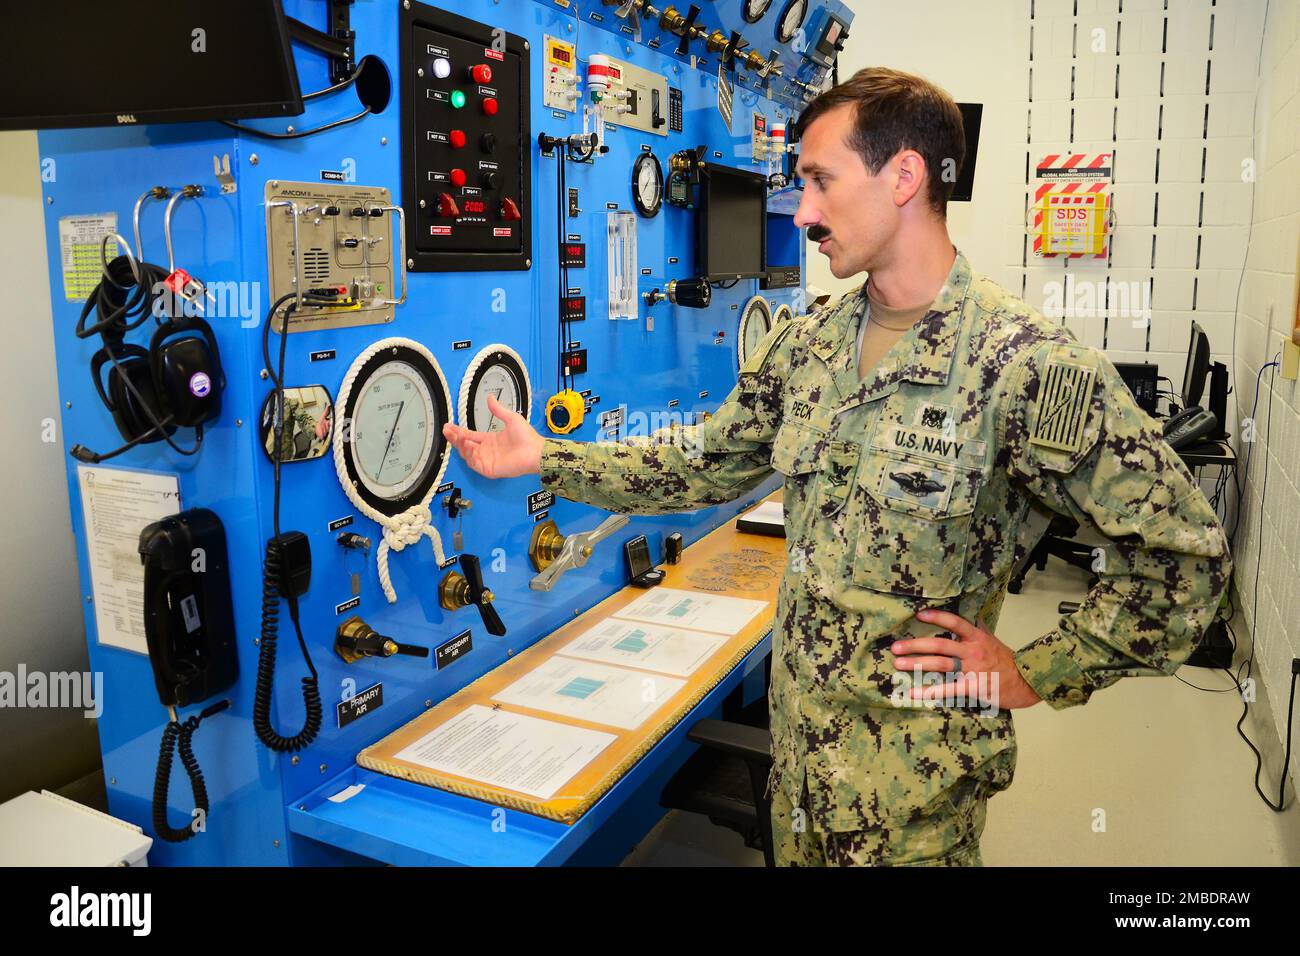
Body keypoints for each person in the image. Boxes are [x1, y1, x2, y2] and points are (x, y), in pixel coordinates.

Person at [442, 67, 1231, 866]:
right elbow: (704, 465)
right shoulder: (807, 346)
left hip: (911, 811)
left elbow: (1187, 561)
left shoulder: (1023, 365)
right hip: (798, 782)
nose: (804, 212)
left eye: (820, 181)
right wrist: (548, 456)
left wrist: (1034, 671)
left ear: (905, 176)